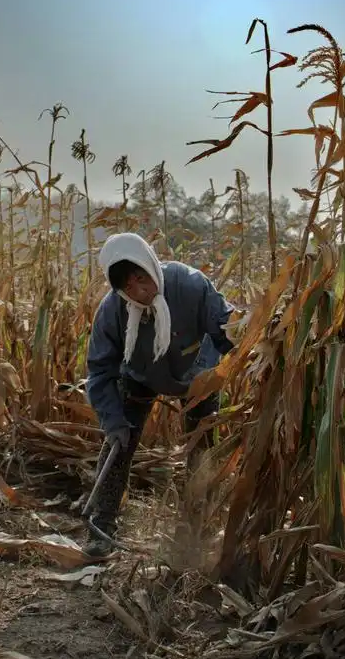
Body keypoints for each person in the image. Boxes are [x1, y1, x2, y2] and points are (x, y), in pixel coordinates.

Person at [85, 231, 235, 556]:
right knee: (118, 444)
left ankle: (196, 528)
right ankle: (102, 524)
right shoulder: (112, 311)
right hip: (140, 376)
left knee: (202, 451)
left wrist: (252, 345)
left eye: (142, 278)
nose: (140, 291)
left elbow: (228, 330)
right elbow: (100, 371)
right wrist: (113, 421)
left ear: (151, 265)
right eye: (128, 287)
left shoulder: (189, 285)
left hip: (198, 375)